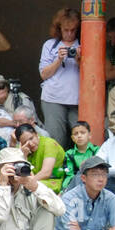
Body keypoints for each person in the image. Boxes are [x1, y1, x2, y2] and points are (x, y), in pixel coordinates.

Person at [37, 8, 81, 142]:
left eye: (73, 30)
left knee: (81, 137)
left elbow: (92, 75)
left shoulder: (83, 44)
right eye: (66, 30)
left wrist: (79, 60)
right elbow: (44, 74)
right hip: (53, 98)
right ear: (59, 28)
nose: (69, 34)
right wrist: (58, 59)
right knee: (56, 139)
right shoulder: (50, 45)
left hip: (78, 99)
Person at [14, 122, 66, 193]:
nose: (30, 144)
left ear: (36, 134)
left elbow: (46, 173)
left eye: (31, 138)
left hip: (53, 181)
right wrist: (24, 156)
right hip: (34, 180)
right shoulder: (23, 149)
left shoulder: (49, 144)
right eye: (25, 142)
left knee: (28, 188)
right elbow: (20, 174)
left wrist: (29, 182)